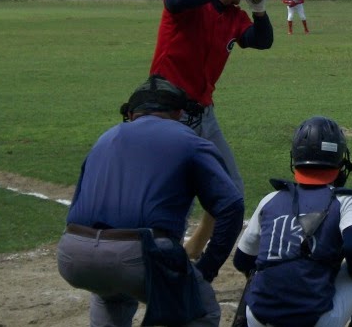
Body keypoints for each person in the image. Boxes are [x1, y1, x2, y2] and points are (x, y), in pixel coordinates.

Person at [57, 75, 245, 327]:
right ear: (179, 113)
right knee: (201, 311)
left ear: (132, 114)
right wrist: (207, 268)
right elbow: (231, 206)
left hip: (74, 255)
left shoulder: (105, 138)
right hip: (136, 256)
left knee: (112, 295)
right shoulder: (190, 141)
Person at [148, 0, 273, 259]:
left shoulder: (234, 18)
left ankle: (192, 250)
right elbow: (174, 0)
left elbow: (263, 40)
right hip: (166, 113)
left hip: (204, 114)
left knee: (229, 190)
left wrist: (259, 9)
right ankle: (158, 259)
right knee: (173, 196)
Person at [232, 116, 352, 327]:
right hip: (314, 321)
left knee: (258, 271)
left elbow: (241, 261)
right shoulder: (346, 200)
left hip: (257, 318)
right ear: (340, 159)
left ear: (295, 158)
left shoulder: (270, 200)